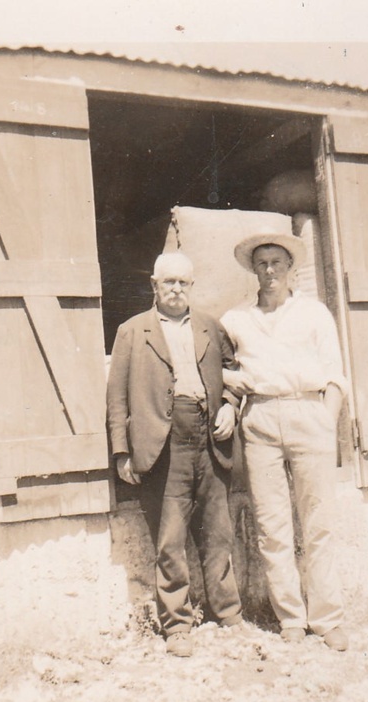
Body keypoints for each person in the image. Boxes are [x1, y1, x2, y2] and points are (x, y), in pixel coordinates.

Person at [106, 252, 244, 657]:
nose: (177, 290)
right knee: (169, 538)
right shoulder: (133, 332)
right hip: (164, 445)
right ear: (154, 285)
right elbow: (116, 398)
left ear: (191, 285)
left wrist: (230, 407)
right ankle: (178, 624)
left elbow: (236, 373)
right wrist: (121, 452)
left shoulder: (209, 326)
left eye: (184, 283)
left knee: (218, 531)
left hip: (209, 440)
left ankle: (229, 614)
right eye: (169, 283)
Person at [220, 223, 349, 651]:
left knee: (319, 521)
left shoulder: (314, 314)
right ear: (253, 272)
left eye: (277, 263)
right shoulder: (236, 319)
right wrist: (229, 387)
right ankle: (290, 618)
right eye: (262, 264)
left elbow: (335, 373)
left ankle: (327, 618)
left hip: (308, 412)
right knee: (272, 524)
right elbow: (219, 368)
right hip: (260, 418)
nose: (270, 270)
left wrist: (325, 422)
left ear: (291, 267)